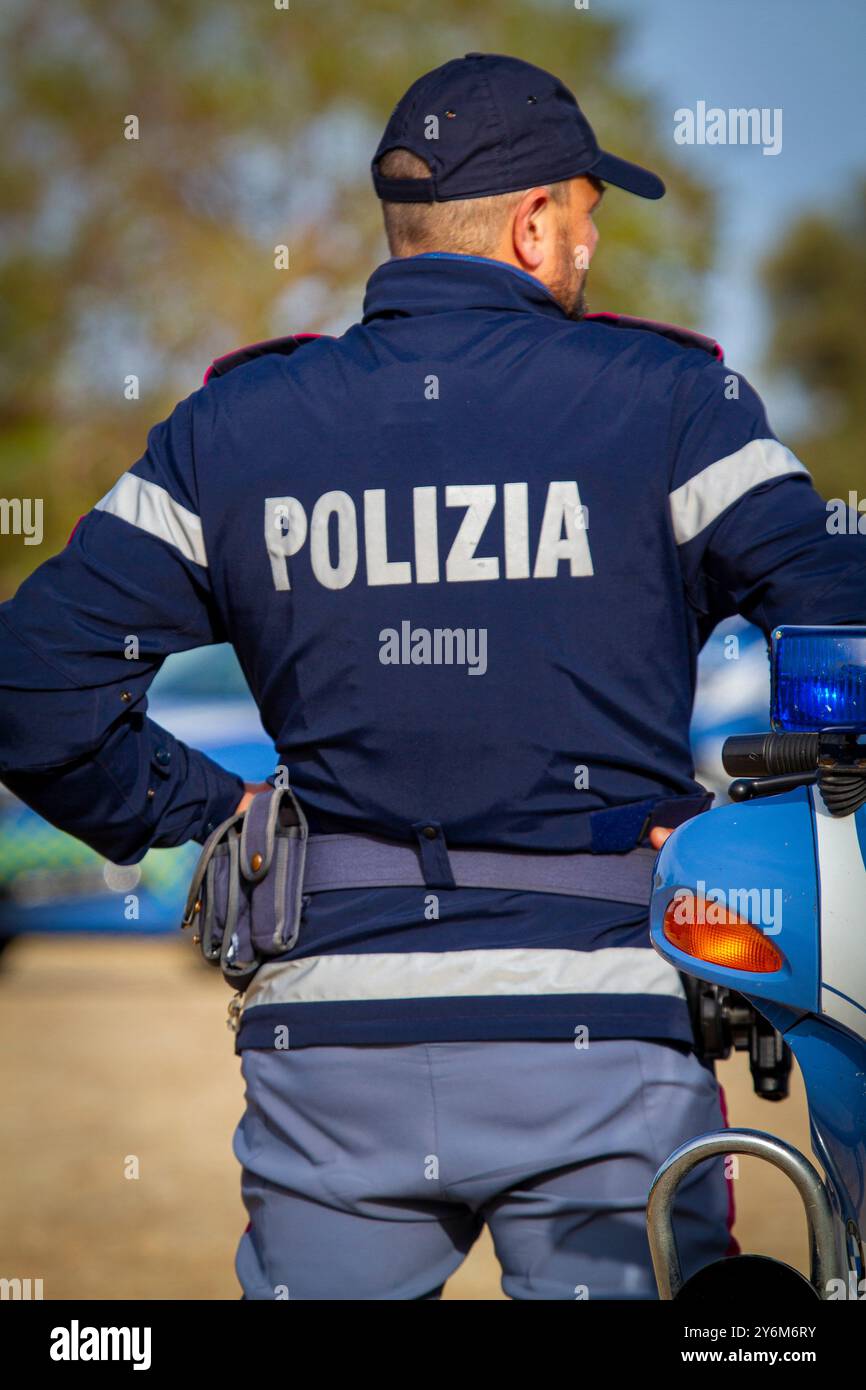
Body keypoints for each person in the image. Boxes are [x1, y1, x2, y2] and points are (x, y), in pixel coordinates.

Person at [1, 53, 864, 1301]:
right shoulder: (674, 404)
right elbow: (842, 622)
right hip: (603, 1036)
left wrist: (218, 823)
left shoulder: (231, 429)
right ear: (528, 225)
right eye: (584, 217)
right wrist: (746, 826)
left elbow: (33, 686)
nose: (588, 247)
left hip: (325, 1049)